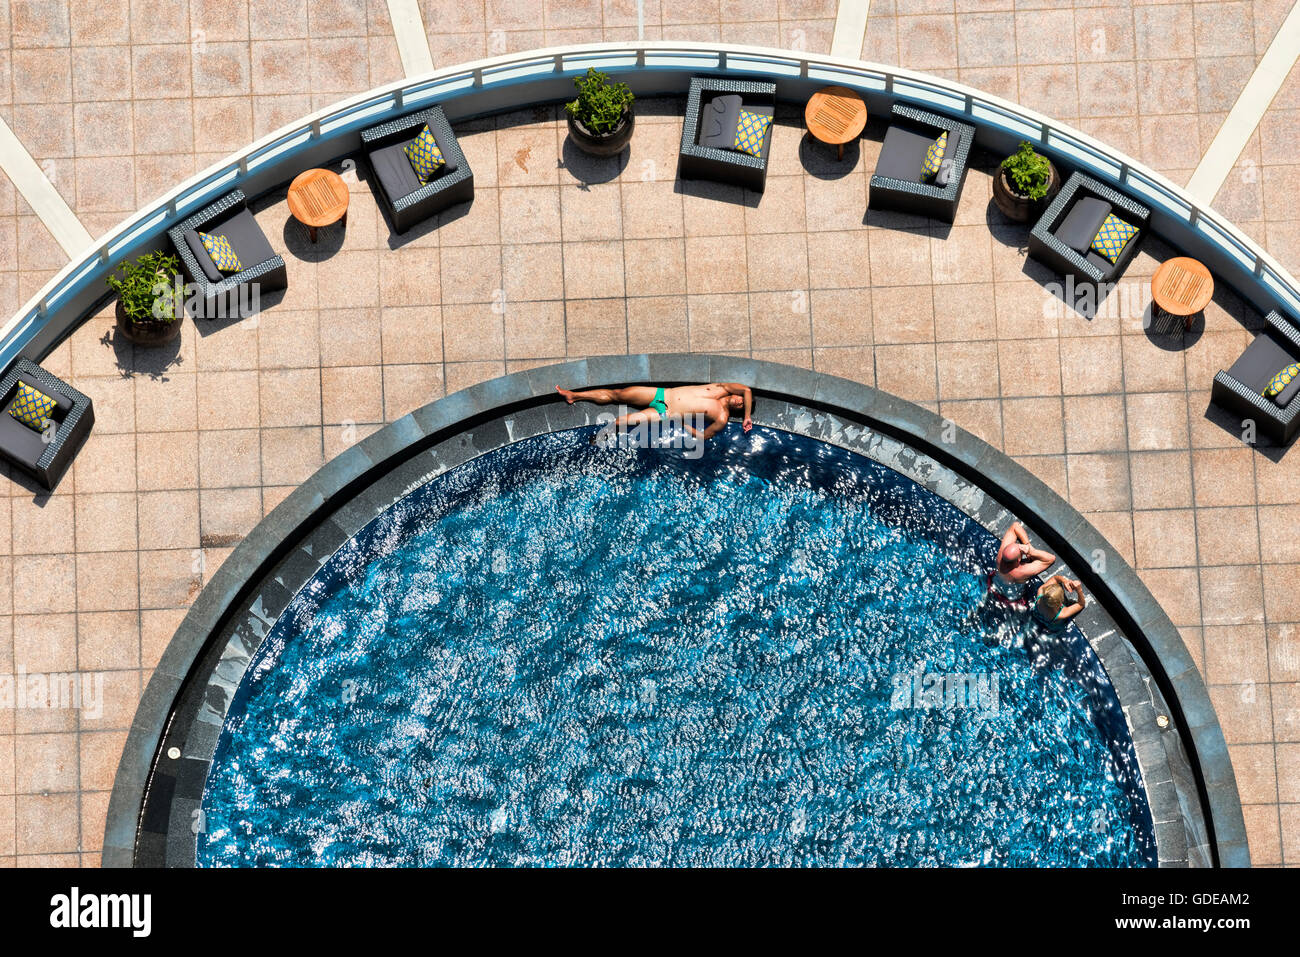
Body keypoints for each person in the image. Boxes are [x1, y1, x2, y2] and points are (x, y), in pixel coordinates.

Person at [555, 382, 753, 442]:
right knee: (618, 393)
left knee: (620, 421)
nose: (738, 401)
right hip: (662, 394)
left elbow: (704, 436)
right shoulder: (723, 387)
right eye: (740, 399)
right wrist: (747, 417)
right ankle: (574, 395)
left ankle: (603, 436)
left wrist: (683, 425)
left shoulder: (721, 416)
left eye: (741, 405)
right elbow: (748, 390)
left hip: (666, 413)